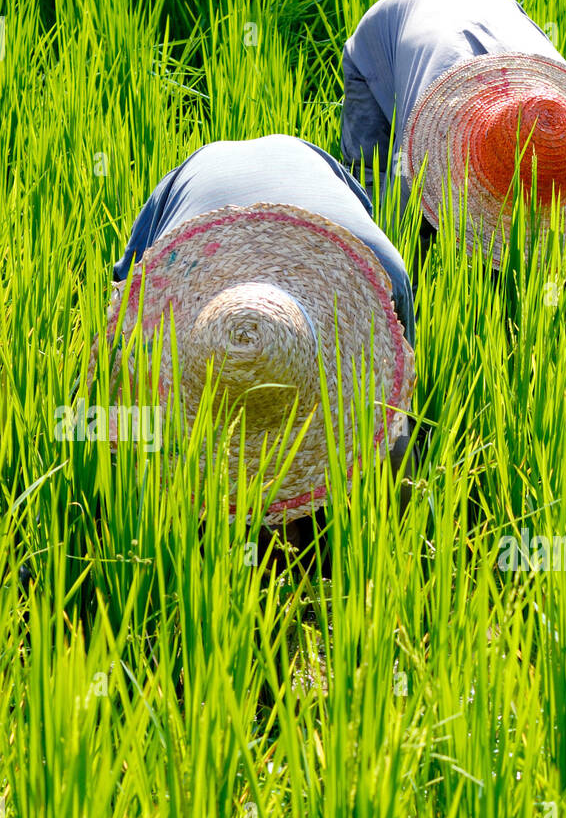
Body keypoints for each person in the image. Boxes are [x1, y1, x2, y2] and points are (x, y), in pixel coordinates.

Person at [97, 134, 417, 530]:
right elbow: (125, 300)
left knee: (387, 427)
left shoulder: (379, 272)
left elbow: (393, 407)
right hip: (237, 168)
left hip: (281, 173)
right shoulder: (170, 255)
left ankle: (404, 533)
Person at [341, 0, 566, 271]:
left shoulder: (561, 112)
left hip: (497, 10)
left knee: (516, 234)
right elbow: (405, 211)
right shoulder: (436, 126)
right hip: (395, 27)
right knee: (377, 197)